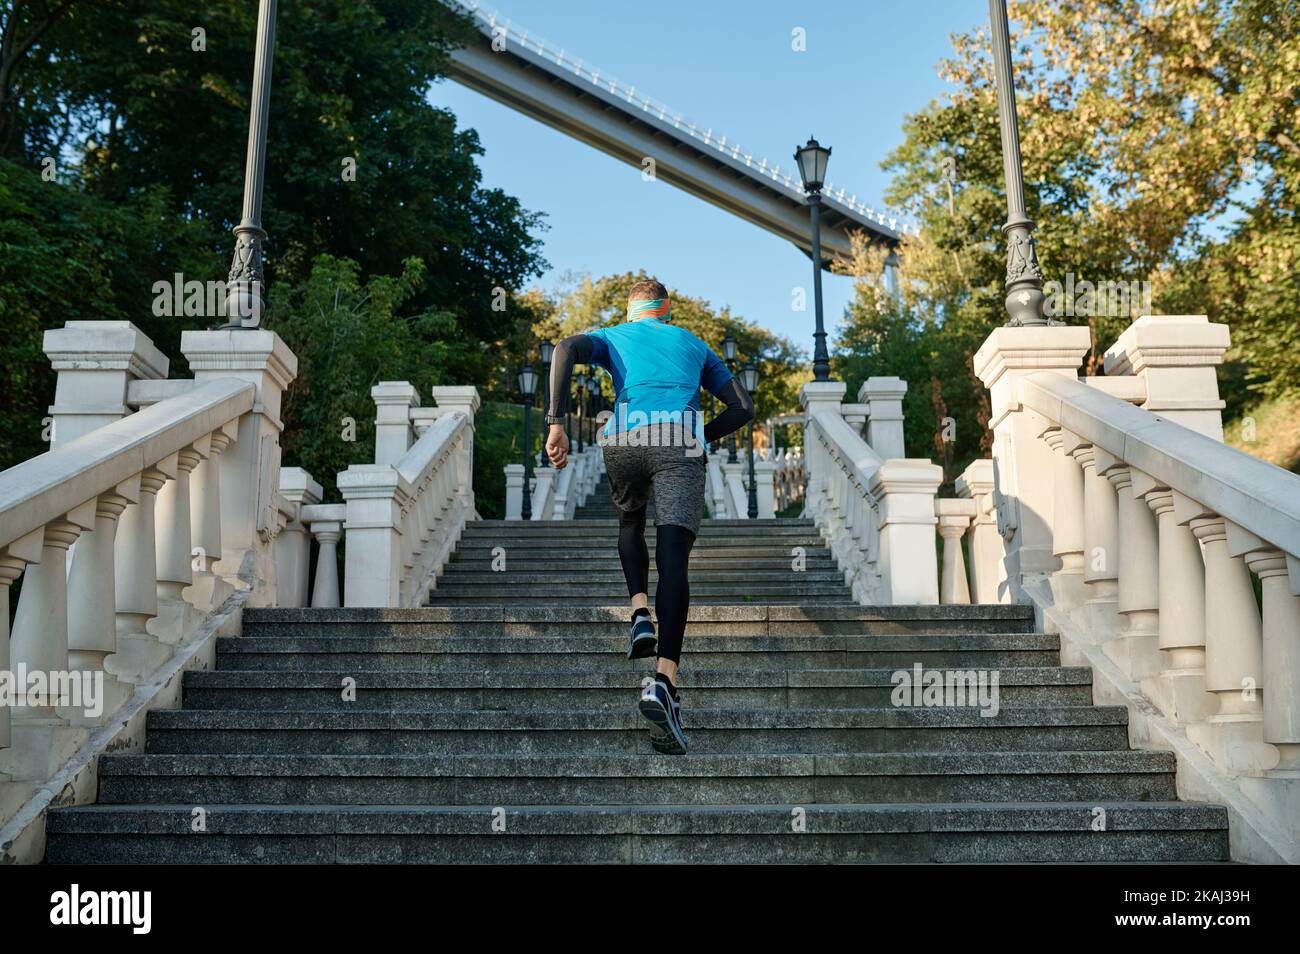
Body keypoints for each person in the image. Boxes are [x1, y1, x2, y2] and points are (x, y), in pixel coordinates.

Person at [544, 279, 754, 754]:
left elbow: (563, 348)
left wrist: (555, 424)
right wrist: (698, 433)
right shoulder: (694, 344)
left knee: (629, 524)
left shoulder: (613, 336)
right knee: (674, 556)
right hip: (678, 441)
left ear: (632, 311)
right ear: (666, 311)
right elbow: (743, 408)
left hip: (623, 442)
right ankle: (663, 682)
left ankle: (639, 611)